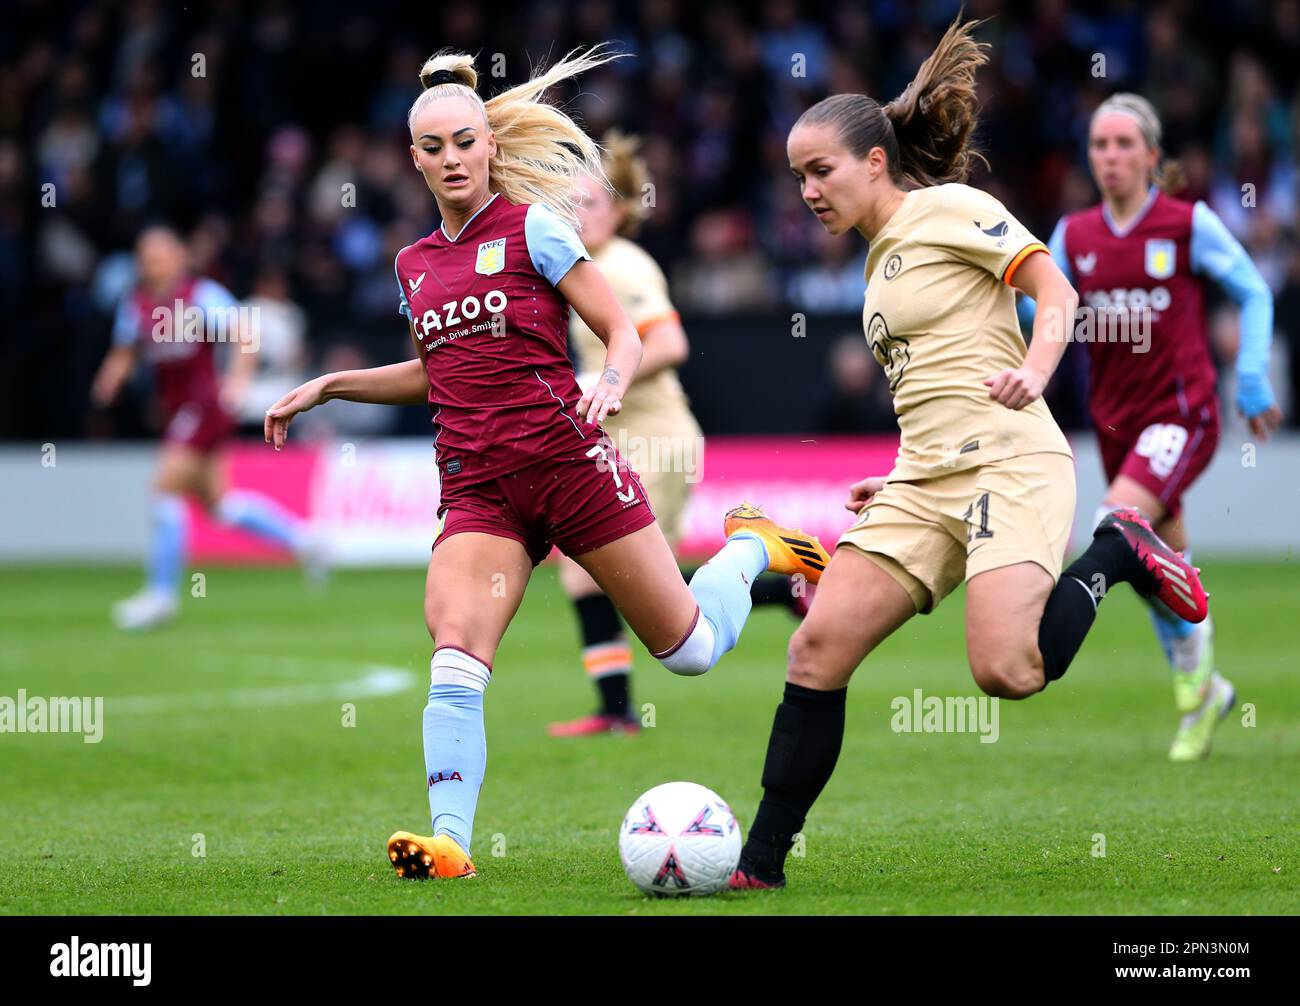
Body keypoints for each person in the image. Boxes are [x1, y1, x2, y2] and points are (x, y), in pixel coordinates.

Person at [262, 48, 828, 881]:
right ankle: (451, 840)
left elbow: (626, 331)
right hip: (479, 489)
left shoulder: (535, 227)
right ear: (412, 158)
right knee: (454, 649)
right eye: (433, 148)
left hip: (570, 465)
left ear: (489, 144)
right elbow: (435, 370)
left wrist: (608, 381)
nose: (451, 159)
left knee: (690, 651)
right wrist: (331, 386)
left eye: (464, 141)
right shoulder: (412, 264)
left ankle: (752, 548)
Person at [727, 18, 1209, 891]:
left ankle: (1119, 551)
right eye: (797, 176)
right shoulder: (877, 265)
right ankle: (759, 866)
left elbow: (1055, 291)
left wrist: (1034, 368)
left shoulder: (951, 208)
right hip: (925, 477)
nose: (806, 190)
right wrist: (904, 468)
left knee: (1007, 670)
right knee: (816, 651)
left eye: (821, 170)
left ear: (876, 161)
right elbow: (932, 379)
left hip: (1006, 460)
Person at [1042, 93, 1280, 761]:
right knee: (1161, 571)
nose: (1110, 157)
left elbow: (1255, 291)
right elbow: (1042, 319)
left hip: (1183, 413)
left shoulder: (1186, 224)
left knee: (1116, 522)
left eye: (1124, 145)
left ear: (1152, 155)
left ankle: (1188, 678)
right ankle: (1206, 691)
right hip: (1116, 423)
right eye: (1099, 145)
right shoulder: (1074, 236)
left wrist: (1253, 374)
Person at [547, 132, 806, 739]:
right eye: (571, 204)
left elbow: (669, 344)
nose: (577, 215)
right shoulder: (588, 269)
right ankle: (618, 711)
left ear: (620, 212)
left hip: (655, 437)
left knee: (622, 576)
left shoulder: (623, 267)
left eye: (590, 204)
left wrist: (594, 375)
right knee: (599, 572)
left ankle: (770, 571)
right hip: (626, 437)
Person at [91, 226, 323, 631]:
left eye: (161, 253)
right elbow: (125, 350)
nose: (154, 261)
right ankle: (306, 543)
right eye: (146, 255)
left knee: (163, 490)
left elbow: (244, 332)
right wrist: (110, 379)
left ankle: (160, 595)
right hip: (176, 410)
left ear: (180, 256)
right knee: (220, 506)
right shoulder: (137, 304)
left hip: (203, 406)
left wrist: (238, 380)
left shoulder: (200, 294)